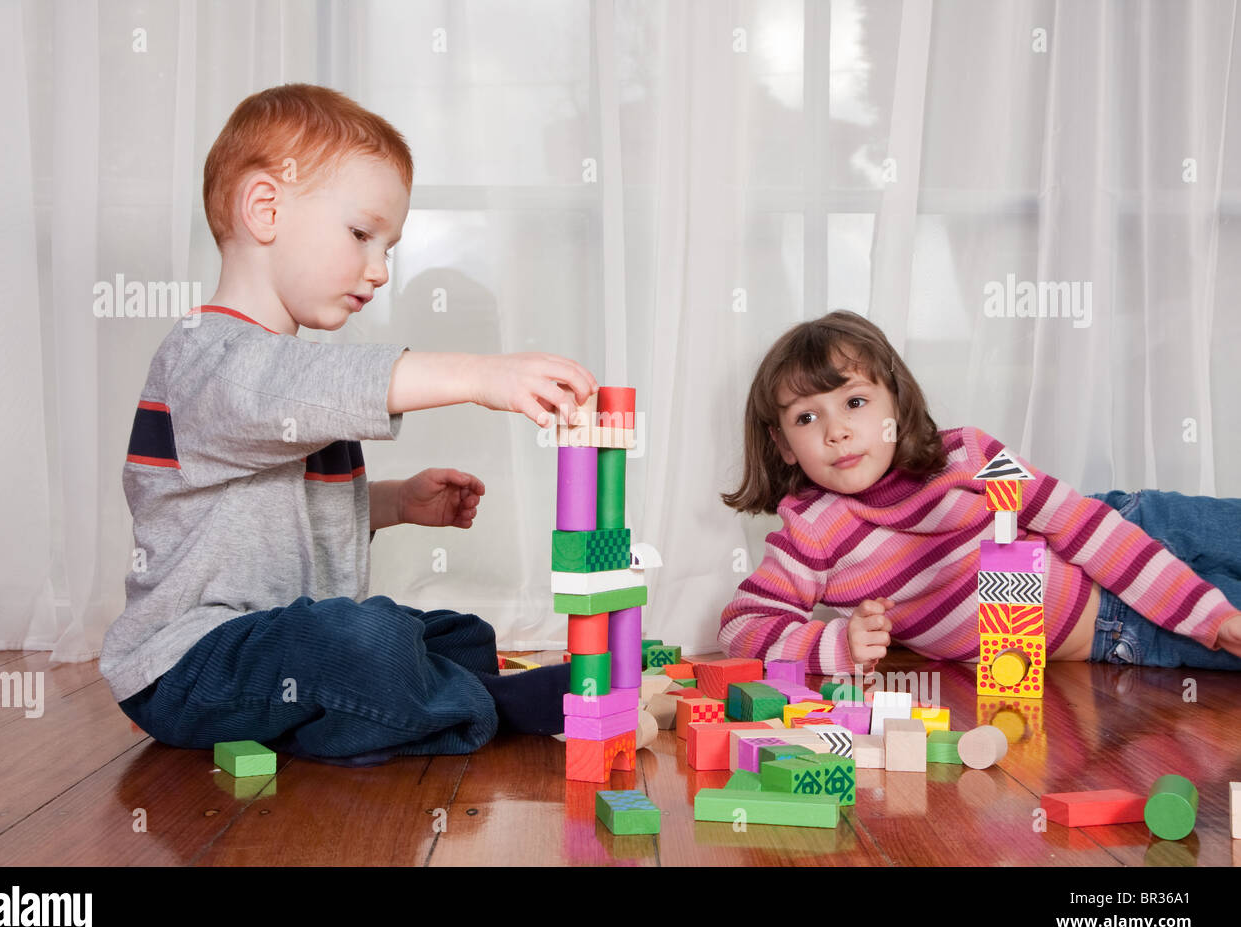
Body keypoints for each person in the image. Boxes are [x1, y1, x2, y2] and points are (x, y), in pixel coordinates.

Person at [101, 84, 595, 766]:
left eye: (389, 246)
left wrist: (394, 503)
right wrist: (483, 376)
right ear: (265, 209)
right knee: (361, 643)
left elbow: (278, 519)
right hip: (189, 667)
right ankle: (494, 707)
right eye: (362, 235)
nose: (381, 270)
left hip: (282, 649)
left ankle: (416, 697)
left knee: (458, 634)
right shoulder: (208, 358)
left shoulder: (288, 376)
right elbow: (335, 387)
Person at [718, 310, 1241, 675]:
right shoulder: (813, 530)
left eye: (855, 402)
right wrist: (836, 645)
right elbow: (743, 627)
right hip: (1120, 630)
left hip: (1137, 525)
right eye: (807, 417)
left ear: (896, 405)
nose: (836, 431)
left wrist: (1209, 615)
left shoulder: (969, 456)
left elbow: (1079, 523)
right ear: (782, 444)